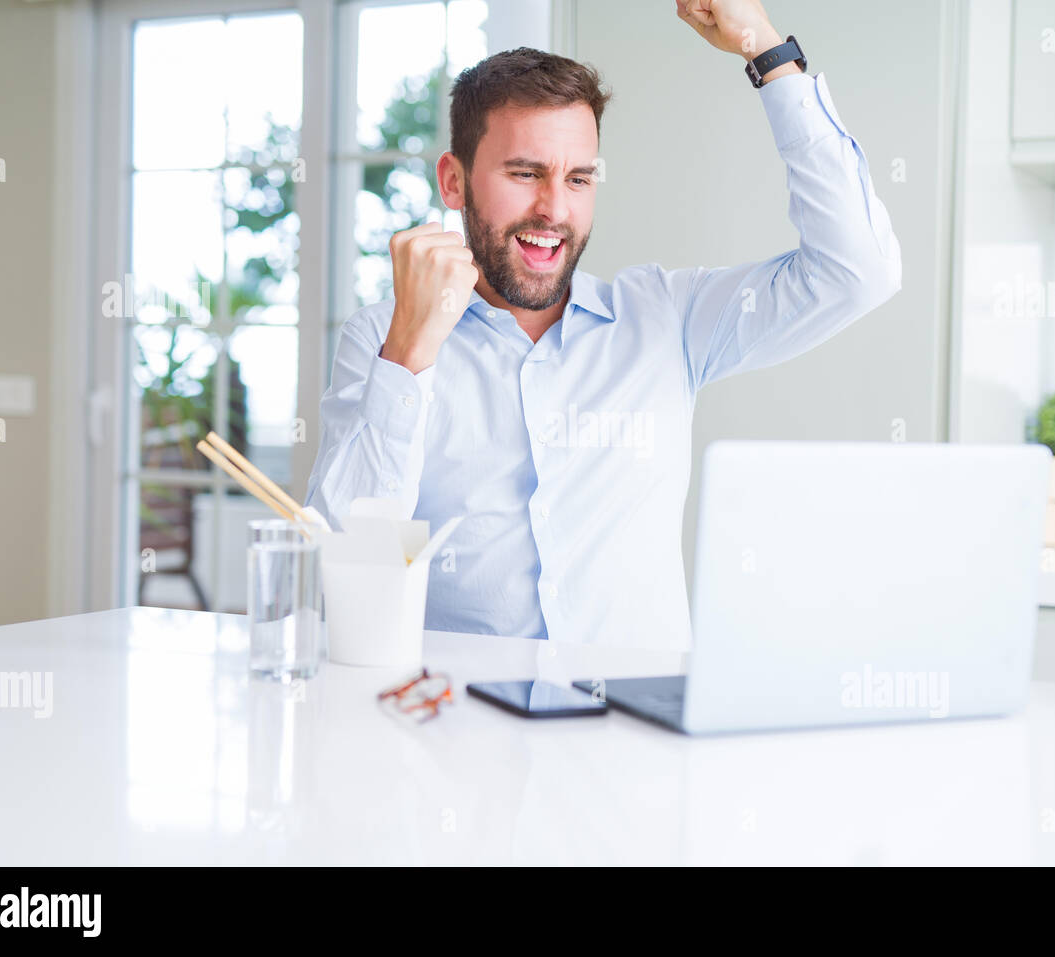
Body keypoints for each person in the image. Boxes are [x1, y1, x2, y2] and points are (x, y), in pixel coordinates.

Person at [305, 0, 901, 648]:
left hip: (637, 736)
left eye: (579, 177)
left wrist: (765, 49)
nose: (553, 208)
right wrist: (410, 354)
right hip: (451, 731)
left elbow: (857, 270)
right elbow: (342, 581)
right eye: (524, 172)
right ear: (454, 181)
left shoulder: (667, 322)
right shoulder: (382, 340)